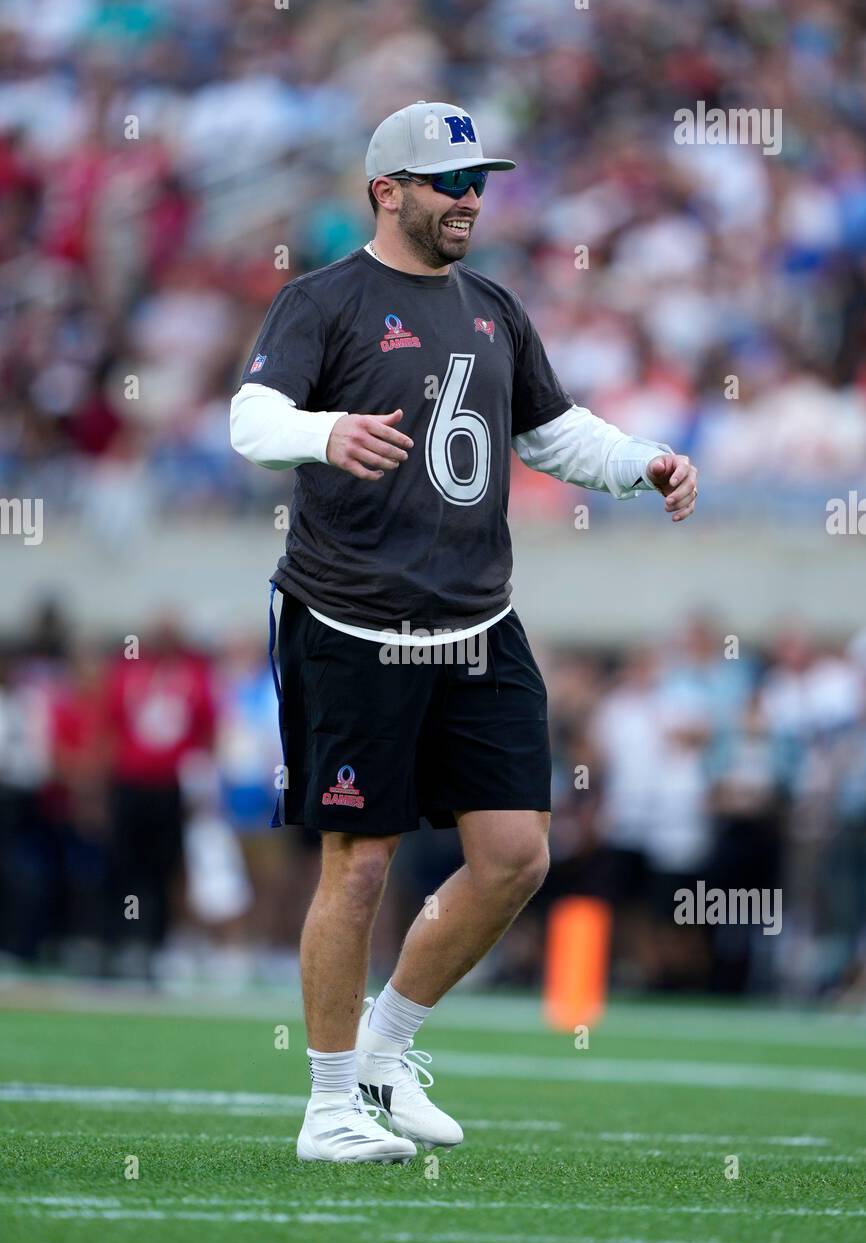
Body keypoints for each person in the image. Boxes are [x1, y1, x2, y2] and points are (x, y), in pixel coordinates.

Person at [230, 101, 698, 1163]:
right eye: (447, 180)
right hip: (350, 617)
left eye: (478, 179)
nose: (469, 197)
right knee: (358, 863)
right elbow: (249, 419)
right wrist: (322, 430)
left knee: (514, 856)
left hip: (477, 615)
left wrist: (641, 459)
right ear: (385, 190)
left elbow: (549, 430)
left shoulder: (490, 305)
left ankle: (389, 1047)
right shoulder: (323, 300)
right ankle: (328, 1105)